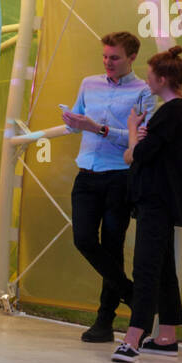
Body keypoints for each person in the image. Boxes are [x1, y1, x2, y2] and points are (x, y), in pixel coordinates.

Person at [61, 32, 154, 342]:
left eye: (114, 57)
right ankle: (132, 294)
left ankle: (104, 321)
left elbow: (139, 139)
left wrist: (97, 128)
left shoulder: (144, 92)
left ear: (131, 58)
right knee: (83, 239)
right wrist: (73, 121)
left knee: (112, 247)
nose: (107, 62)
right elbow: (73, 124)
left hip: (119, 177)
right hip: (87, 173)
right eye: (105, 56)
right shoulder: (89, 83)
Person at [112, 46, 182, 363]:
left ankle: (134, 337)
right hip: (161, 200)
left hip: (156, 202)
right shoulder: (177, 111)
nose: (147, 81)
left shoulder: (170, 112)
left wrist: (133, 132)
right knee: (161, 267)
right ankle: (167, 335)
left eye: (150, 76)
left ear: (162, 79)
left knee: (145, 267)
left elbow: (134, 156)